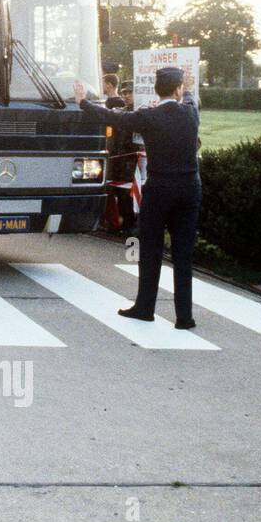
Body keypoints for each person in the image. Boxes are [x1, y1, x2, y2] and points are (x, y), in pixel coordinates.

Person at [74, 67, 200, 329]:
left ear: (157, 90)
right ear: (177, 90)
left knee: (151, 249)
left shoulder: (148, 116)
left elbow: (112, 117)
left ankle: (145, 307)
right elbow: (190, 98)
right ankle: (184, 316)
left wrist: (83, 102)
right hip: (189, 188)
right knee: (183, 253)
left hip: (159, 187)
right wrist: (187, 87)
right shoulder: (190, 112)